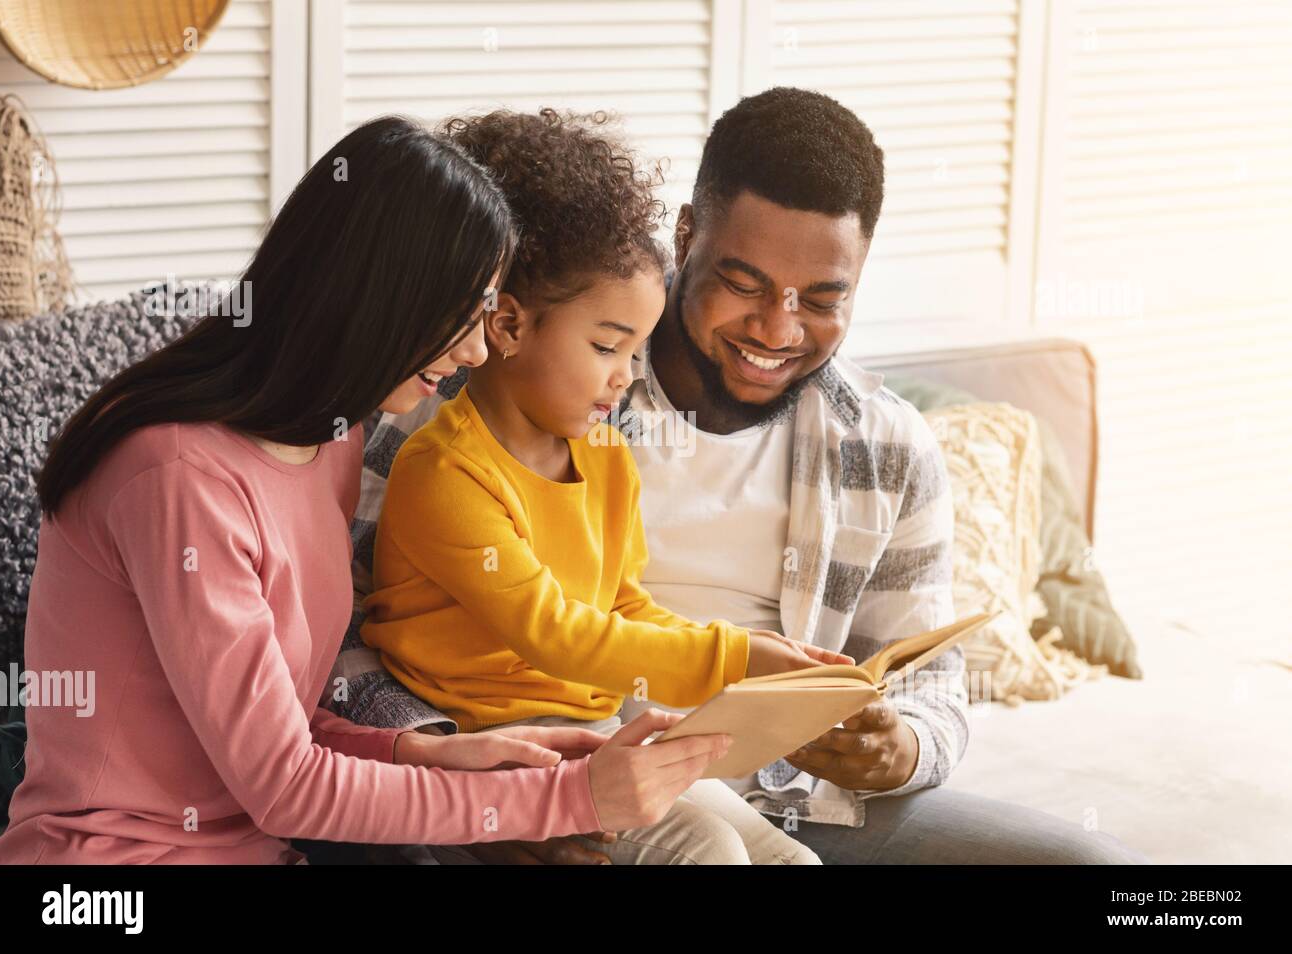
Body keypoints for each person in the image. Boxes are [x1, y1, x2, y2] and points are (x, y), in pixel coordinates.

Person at [334, 89, 1150, 865]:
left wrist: (897, 748)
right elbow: (339, 640)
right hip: (566, 757)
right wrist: (468, 785)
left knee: (1101, 866)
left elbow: (931, 692)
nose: (776, 329)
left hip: (800, 795)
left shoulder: (887, 446)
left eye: (822, 298)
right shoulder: (491, 385)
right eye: (745, 284)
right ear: (686, 236)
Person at [0, 116, 728, 866]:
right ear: (380, 293)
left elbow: (278, 733)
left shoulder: (332, 442)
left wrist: (429, 753)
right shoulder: (178, 478)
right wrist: (568, 796)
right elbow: (284, 785)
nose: (477, 350)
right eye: (465, 312)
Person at [363, 110, 844, 865]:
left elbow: (622, 605)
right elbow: (556, 632)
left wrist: (744, 655)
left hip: (602, 736)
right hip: (500, 752)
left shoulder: (606, 459)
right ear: (511, 326)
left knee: (791, 859)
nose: (625, 377)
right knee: (709, 853)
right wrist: (734, 656)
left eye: (636, 350)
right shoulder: (443, 471)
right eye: (607, 346)